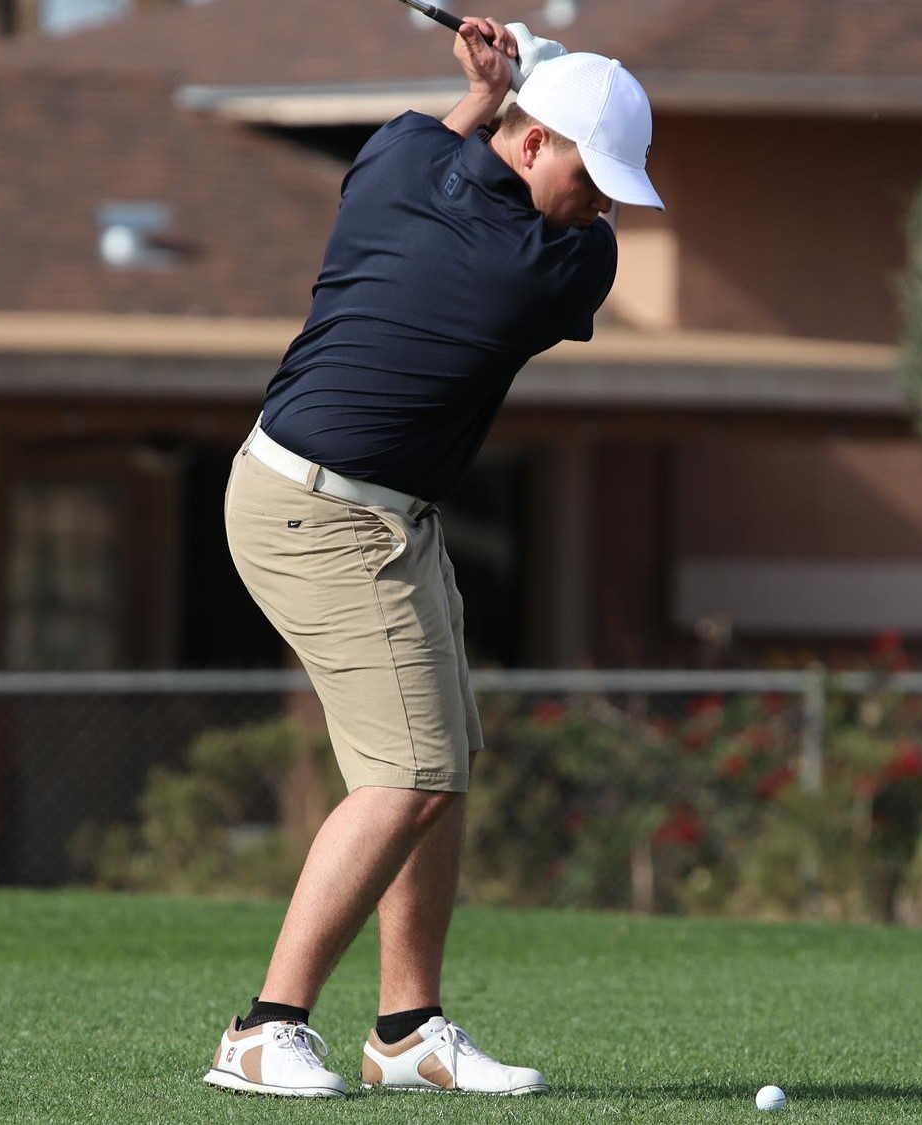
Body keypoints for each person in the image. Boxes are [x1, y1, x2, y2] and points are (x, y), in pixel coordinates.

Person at [204, 14, 662, 1099]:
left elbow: (433, 141)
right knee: (409, 771)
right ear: (536, 143)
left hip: (357, 505)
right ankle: (260, 1030)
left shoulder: (397, 161)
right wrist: (517, 85)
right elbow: (571, 244)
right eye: (589, 175)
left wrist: (491, 93)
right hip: (320, 517)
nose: (599, 206)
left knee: (437, 763)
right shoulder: (539, 270)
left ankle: (406, 1031)